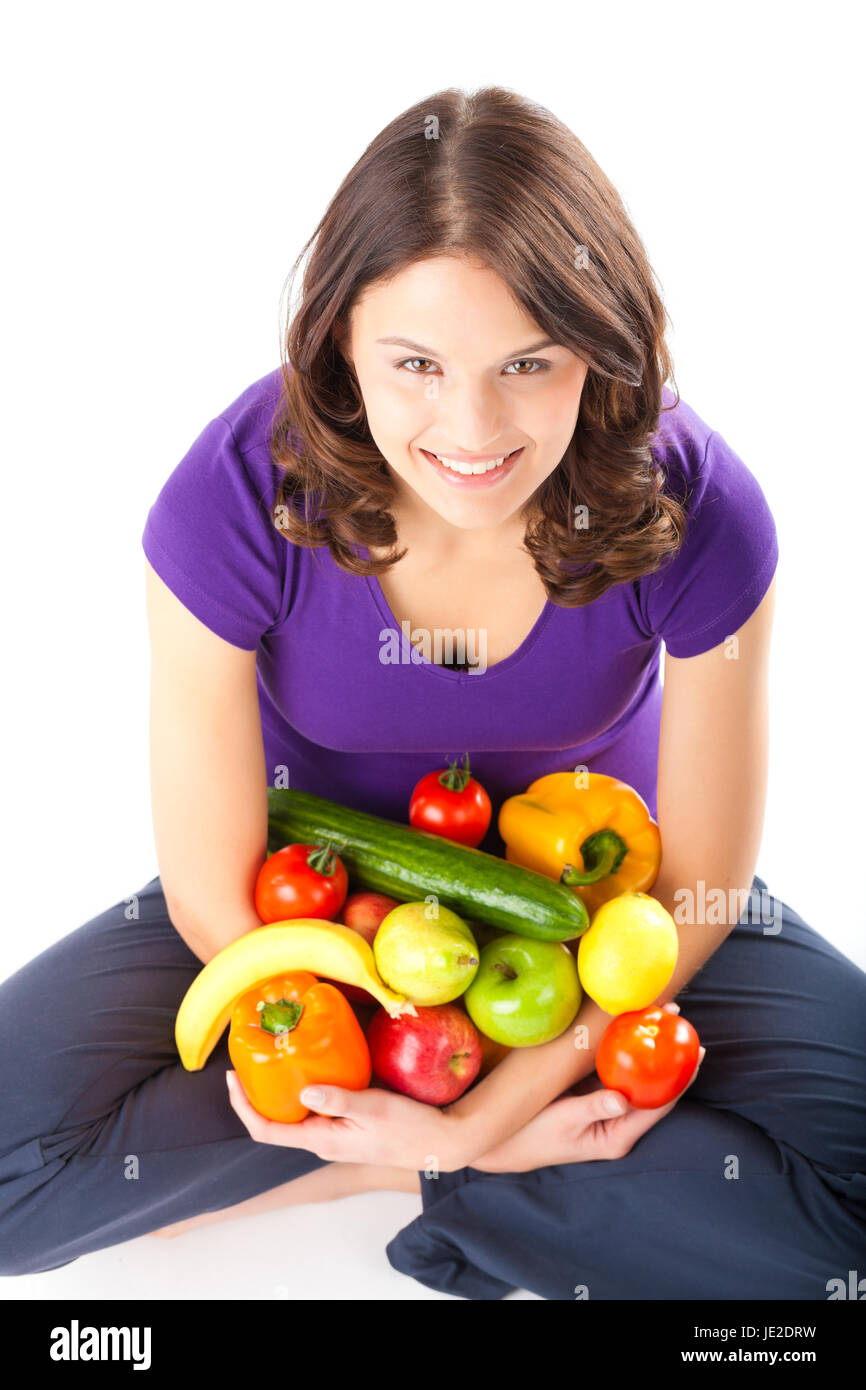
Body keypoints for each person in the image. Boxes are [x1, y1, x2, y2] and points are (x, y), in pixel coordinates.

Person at [1, 86, 864, 1300]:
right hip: (309, 905)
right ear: (340, 345)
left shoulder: (700, 505)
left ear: (601, 351)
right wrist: (415, 1108)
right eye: (415, 364)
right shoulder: (235, 492)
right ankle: (424, 1182)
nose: (471, 427)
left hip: (604, 910)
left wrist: (471, 1118)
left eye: (529, 362)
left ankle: (458, 1181)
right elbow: (207, 888)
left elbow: (695, 889)